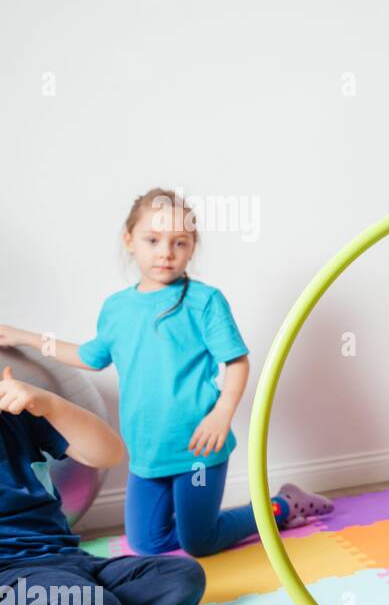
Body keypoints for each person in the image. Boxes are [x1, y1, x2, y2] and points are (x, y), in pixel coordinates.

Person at [0, 188, 331, 556]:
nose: (166, 253)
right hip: (147, 452)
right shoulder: (117, 309)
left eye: (180, 243)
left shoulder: (204, 301)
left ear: (192, 247)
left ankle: (282, 506)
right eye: (153, 240)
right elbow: (89, 356)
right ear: (129, 240)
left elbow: (236, 360)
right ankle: (198, 522)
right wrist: (24, 337)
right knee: (145, 543)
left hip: (199, 448)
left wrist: (222, 414)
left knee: (199, 542)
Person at [0, 366, 206, 605]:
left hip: (70, 560)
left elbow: (108, 453)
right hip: (13, 575)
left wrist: (50, 404)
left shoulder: (14, 412)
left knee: (182, 579)